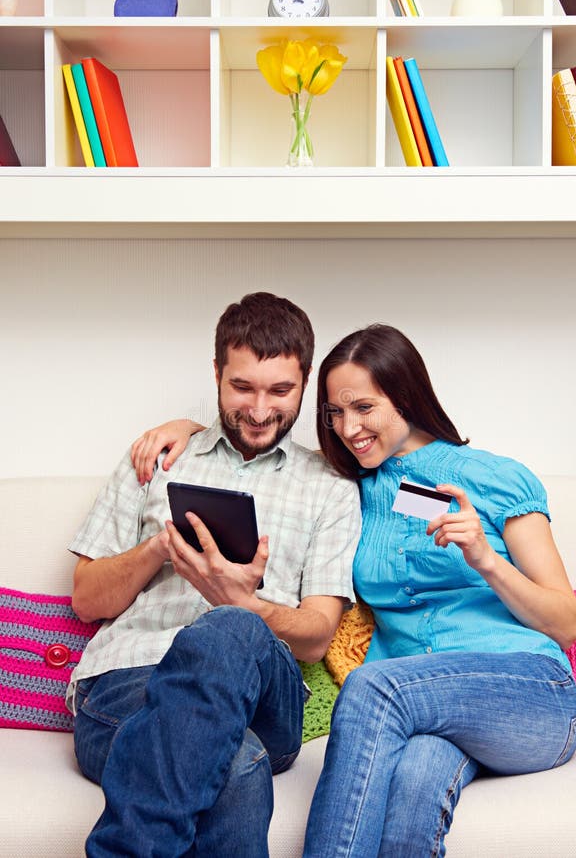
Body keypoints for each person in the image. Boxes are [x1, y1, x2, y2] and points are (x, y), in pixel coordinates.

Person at [136, 323, 576, 858]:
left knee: (371, 688)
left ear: (406, 397)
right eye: (334, 413)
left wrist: (487, 561)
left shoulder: (493, 478)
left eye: (364, 408)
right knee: (416, 784)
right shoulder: (356, 491)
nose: (348, 427)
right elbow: (253, 446)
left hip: (529, 693)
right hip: (426, 716)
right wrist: (191, 428)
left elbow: (565, 622)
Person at [67, 292, 361, 858]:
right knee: (235, 766)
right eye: (242, 387)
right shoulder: (158, 461)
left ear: (305, 384)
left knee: (231, 626)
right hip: (130, 683)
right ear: (216, 374)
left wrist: (245, 605)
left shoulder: (330, 488)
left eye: (281, 391)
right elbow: (86, 600)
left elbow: (319, 633)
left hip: (264, 693)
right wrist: (160, 547)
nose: (258, 410)